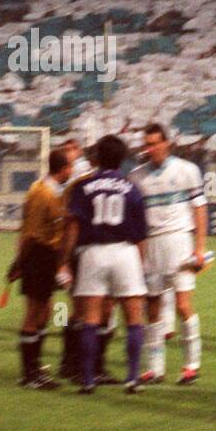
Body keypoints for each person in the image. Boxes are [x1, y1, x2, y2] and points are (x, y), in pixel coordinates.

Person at [57, 134, 148, 395]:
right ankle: (132, 379)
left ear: (96, 157)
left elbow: (72, 226)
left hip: (92, 253)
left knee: (90, 319)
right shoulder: (132, 189)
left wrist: (64, 262)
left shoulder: (82, 187)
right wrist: (139, 265)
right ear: (122, 159)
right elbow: (141, 234)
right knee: (133, 319)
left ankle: (87, 380)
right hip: (125, 252)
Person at [129, 123, 207, 386]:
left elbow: (200, 208)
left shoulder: (187, 170)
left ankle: (191, 366)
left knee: (183, 305)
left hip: (179, 243)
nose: (151, 148)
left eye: (155, 143)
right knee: (152, 308)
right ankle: (155, 368)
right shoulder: (136, 177)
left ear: (167, 143)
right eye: (147, 144)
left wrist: (200, 247)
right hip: (152, 245)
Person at [8, 147, 73, 389]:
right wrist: (19, 263)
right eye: (70, 166)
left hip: (48, 256)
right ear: (63, 169)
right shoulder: (41, 193)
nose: (72, 170)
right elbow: (30, 233)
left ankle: (36, 367)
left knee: (44, 312)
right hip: (37, 255)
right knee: (34, 313)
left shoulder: (55, 191)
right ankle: (29, 373)